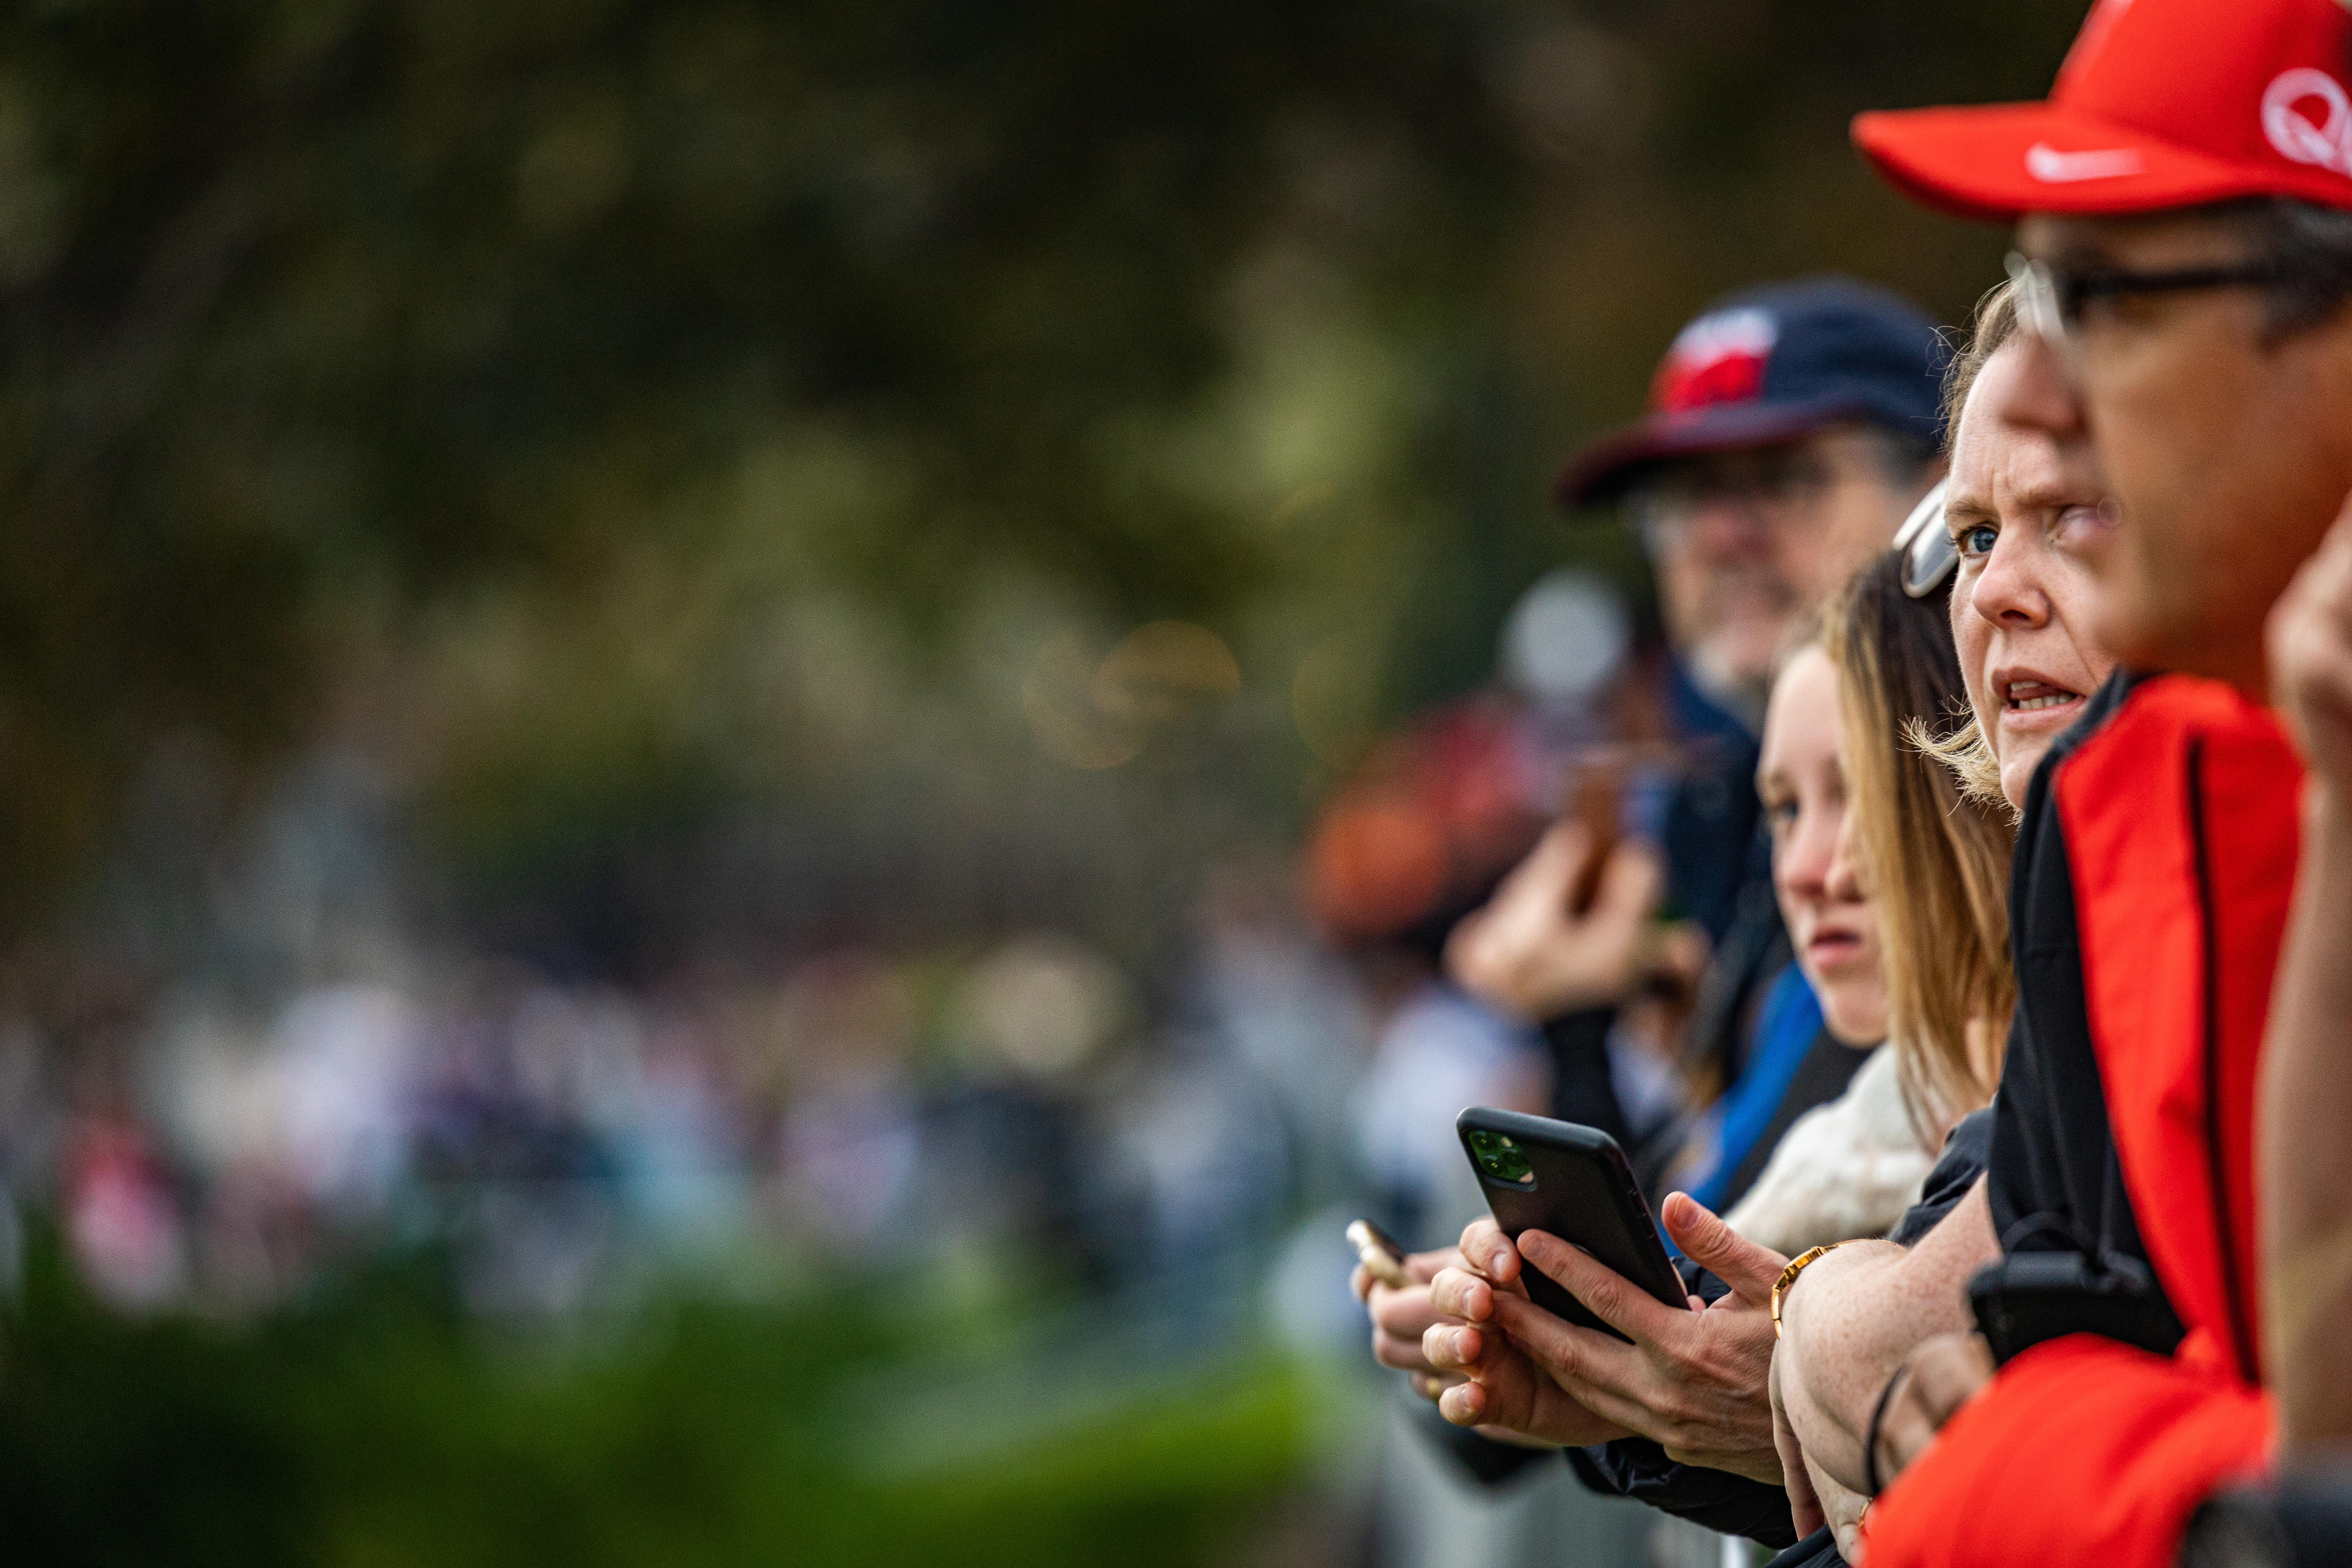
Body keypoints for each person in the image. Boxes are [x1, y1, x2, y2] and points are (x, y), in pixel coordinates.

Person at [1420, 276, 2117, 1564]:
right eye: (1682, 502)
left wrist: (1825, 1354)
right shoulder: (1732, 880)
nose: (1721, 536)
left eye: (1784, 479)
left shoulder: (2101, 835)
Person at [1816, 3, 2352, 1562]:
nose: (2038, 402)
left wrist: (2055, 1478)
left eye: (2105, 300)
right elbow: (2056, 1328)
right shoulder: (2131, 790)